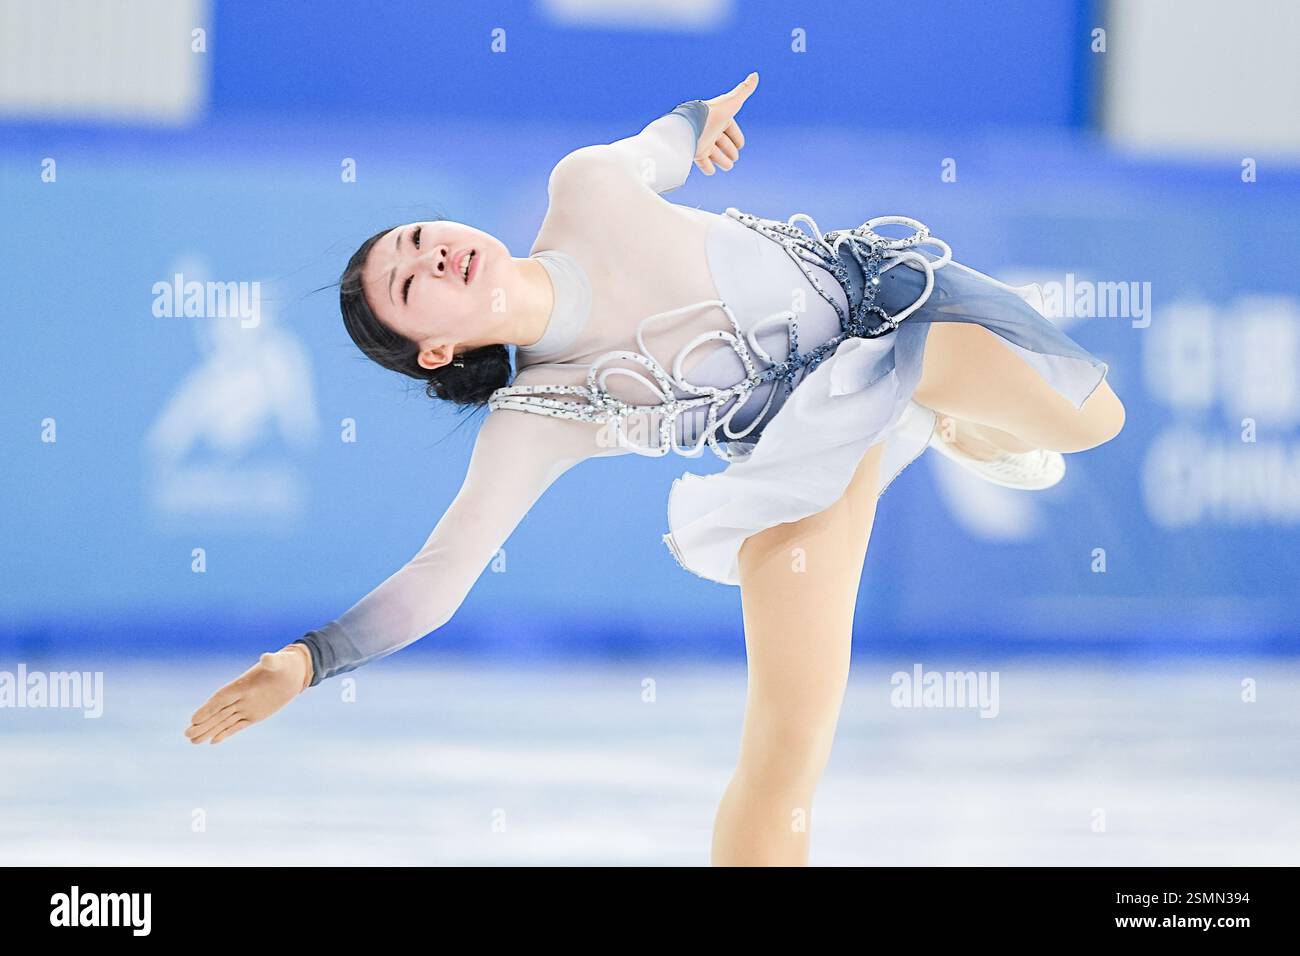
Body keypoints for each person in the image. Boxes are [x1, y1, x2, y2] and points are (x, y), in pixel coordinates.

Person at [185, 73, 1125, 866]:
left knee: (1095, 420)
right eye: (409, 280)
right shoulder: (536, 416)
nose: (432, 252)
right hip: (802, 457)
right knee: (786, 748)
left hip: (892, 303)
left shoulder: (586, 187)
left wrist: (699, 118)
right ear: (433, 350)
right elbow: (441, 578)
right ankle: (926, 410)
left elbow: (658, 147)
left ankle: (945, 417)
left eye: (419, 236)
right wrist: (310, 659)